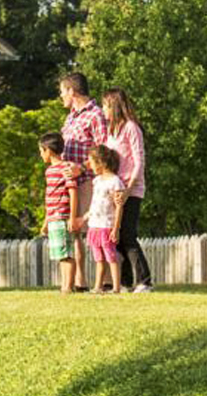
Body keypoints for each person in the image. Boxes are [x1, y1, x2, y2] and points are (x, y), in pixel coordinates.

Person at [57, 72, 107, 290]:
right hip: (70, 185)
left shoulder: (95, 115)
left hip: (88, 180)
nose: (61, 97)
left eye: (62, 92)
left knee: (96, 230)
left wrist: (82, 168)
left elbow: (104, 151)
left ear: (71, 91)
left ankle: (106, 282)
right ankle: (80, 282)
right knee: (74, 231)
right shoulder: (70, 117)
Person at [101, 88, 153, 293]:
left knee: (127, 235)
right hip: (115, 190)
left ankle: (144, 281)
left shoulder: (132, 128)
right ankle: (124, 282)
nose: (103, 109)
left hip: (131, 190)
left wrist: (129, 188)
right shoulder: (111, 131)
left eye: (105, 105)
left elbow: (139, 161)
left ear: (114, 106)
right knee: (117, 237)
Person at [37, 133, 80, 294]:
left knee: (66, 254)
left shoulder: (66, 168)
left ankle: (68, 287)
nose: (41, 155)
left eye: (41, 151)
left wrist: (72, 217)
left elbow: (72, 192)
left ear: (48, 150)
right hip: (53, 217)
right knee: (59, 254)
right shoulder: (49, 171)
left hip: (63, 217)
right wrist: (45, 222)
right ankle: (64, 286)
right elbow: (49, 199)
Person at [84, 145, 126, 294]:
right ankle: (98, 286)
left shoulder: (115, 182)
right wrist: (85, 217)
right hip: (94, 226)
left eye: (91, 162)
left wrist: (116, 228)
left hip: (106, 226)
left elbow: (119, 206)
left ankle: (116, 287)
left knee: (111, 257)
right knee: (99, 259)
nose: (89, 165)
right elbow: (95, 204)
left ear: (101, 162)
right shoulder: (97, 181)